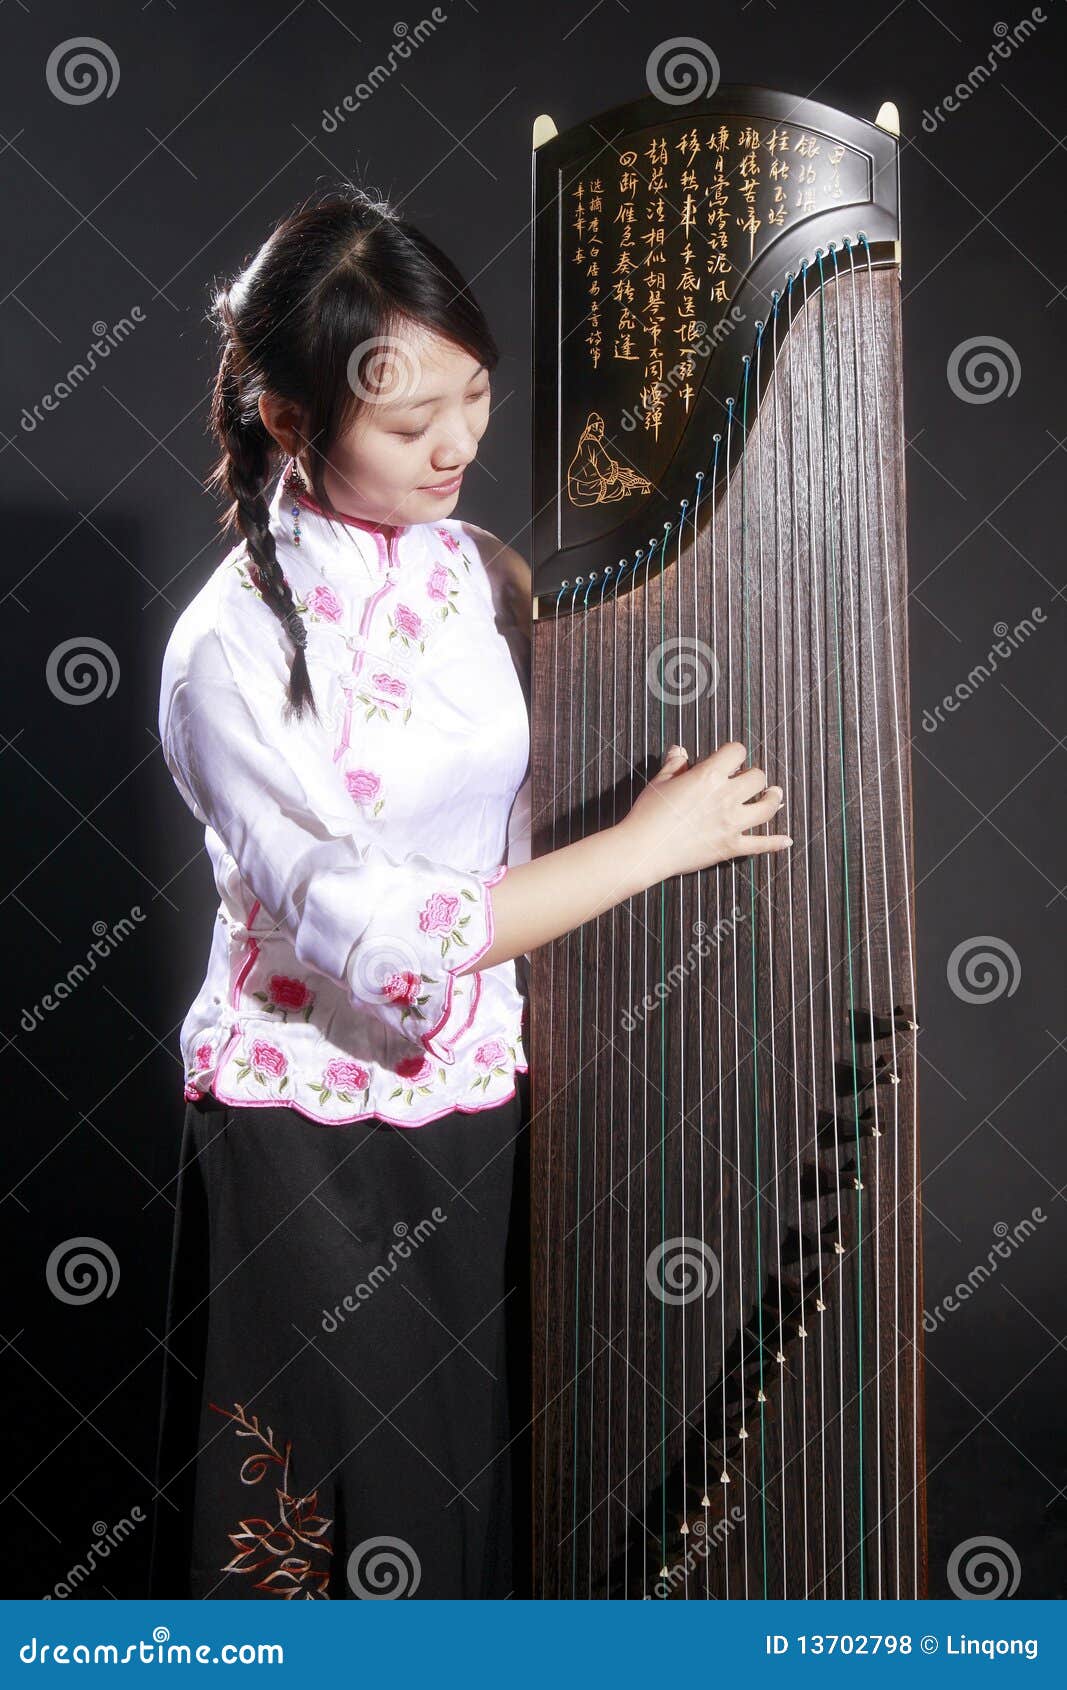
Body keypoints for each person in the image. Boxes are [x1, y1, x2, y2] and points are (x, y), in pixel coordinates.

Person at [147, 185, 791, 1602]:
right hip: (304, 1122)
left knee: (459, 1487)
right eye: (406, 419)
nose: (457, 447)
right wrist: (644, 847)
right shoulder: (227, 651)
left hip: (480, 1089)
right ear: (288, 420)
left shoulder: (467, 572)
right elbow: (365, 931)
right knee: (320, 1511)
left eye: (475, 398)